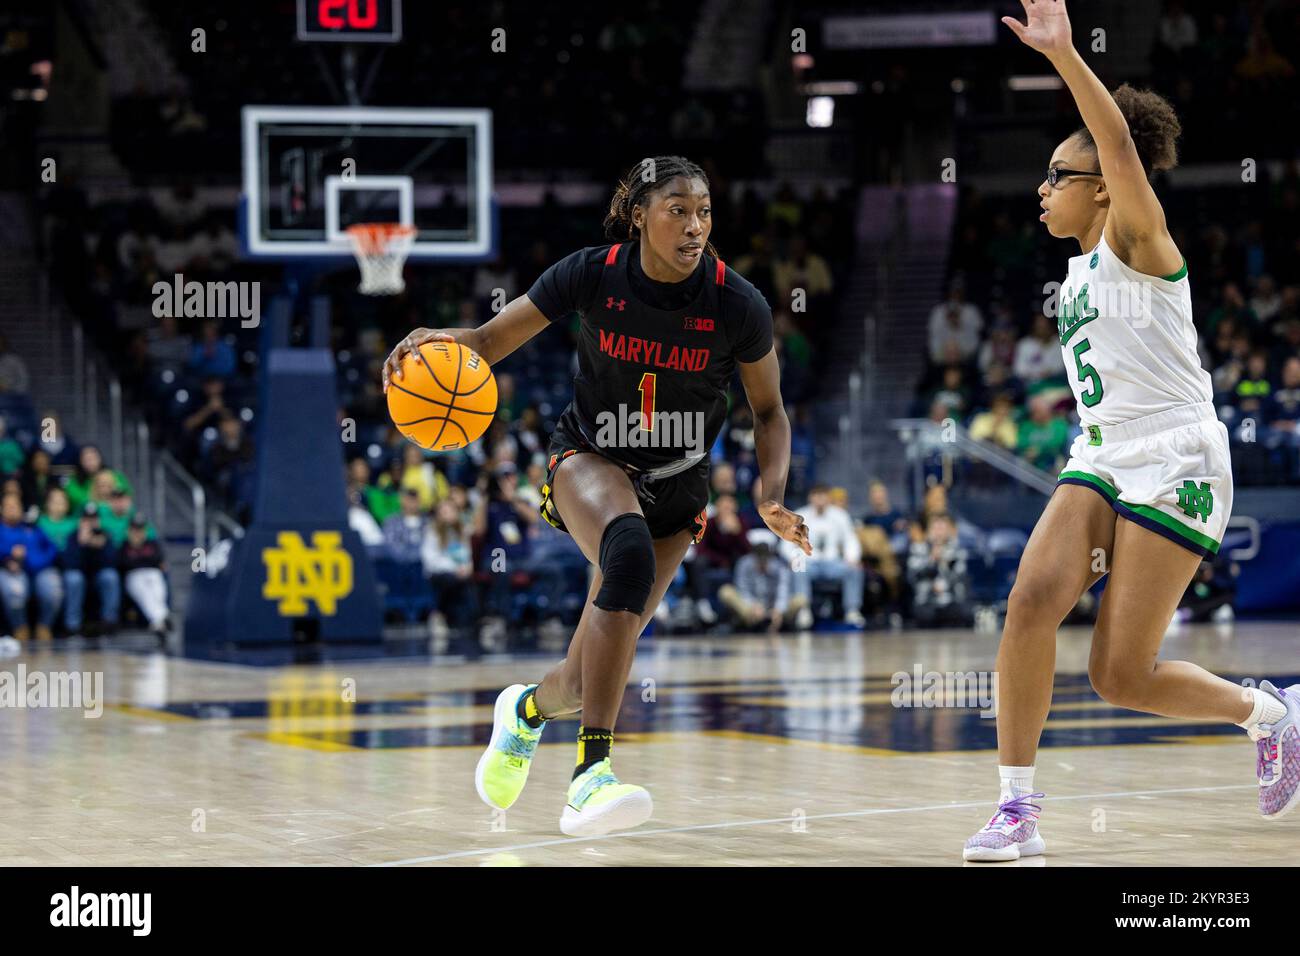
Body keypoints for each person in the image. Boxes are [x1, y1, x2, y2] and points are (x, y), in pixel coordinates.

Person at [383, 155, 811, 837]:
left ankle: (525, 713)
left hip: (681, 484)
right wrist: (434, 342)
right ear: (639, 215)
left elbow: (769, 414)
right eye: (678, 209)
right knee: (628, 557)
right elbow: (491, 342)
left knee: (584, 681)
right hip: (590, 456)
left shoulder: (739, 304)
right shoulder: (592, 273)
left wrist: (771, 495)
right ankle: (591, 775)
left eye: (703, 211)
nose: (694, 224)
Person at [966, 1, 1298, 864]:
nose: (1043, 187)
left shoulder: (1140, 237)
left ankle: (1269, 713)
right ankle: (1016, 810)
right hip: (1104, 452)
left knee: (1120, 676)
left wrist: (1067, 55)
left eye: (1057, 173)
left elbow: (1116, 141)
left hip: (1178, 453)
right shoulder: (1077, 272)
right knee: (1031, 600)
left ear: (1107, 186)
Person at [786, 484, 864, 629]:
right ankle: (803, 610)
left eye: (823, 495)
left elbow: (850, 540)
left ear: (829, 497)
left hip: (833, 563)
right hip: (809, 562)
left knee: (854, 570)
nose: (820, 499)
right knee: (798, 568)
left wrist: (852, 558)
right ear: (811, 497)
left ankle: (852, 610)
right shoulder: (799, 516)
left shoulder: (840, 515)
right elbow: (786, 541)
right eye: (817, 495)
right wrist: (793, 558)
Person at [0, 492, 60, 641]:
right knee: (15, 592)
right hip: (11, 570)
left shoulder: (32, 528)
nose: (12, 509)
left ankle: (44, 626)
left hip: (40, 569)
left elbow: (52, 549)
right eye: (9, 506)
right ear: (2, 509)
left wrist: (40, 562)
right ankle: (20, 627)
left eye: (16, 506)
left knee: (52, 590)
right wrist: (8, 556)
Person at [717, 534, 801, 633]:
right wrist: (753, 605)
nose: (762, 561)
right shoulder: (744, 564)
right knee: (725, 591)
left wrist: (778, 610)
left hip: (772, 607)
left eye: (765, 557)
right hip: (750, 608)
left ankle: (776, 623)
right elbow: (742, 589)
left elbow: (783, 590)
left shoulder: (779, 567)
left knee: (800, 599)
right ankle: (752, 621)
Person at [59, 501, 120, 637]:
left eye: (93, 519)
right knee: (74, 579)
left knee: (110, 576)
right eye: (87, 519)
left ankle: (109, 622)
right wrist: (82, 544)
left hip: (98, 577)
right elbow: (68, 563)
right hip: (80, 577)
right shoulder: (73, 536)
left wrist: (100, 548)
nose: (90, 523)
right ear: (81, 521)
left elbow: (113, 562)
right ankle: (72, 626)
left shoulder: (105, 535)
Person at [906, 513, 972, 628]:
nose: (938, 533)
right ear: (928, 531)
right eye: (935, 528)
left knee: (962, 613)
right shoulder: (918, 549)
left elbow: (960, 575)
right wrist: (931, 562)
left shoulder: (957, 550)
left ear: (948, 531)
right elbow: (913, 576)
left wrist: (944, 564)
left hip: (950, 600)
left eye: (942, 528)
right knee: (923, 615)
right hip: (926, 600)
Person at [117, 513, 169, 637]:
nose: (137, 533)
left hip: (152, 575)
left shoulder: (152, 544)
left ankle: (158, 621)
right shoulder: (124, 546)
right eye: (134, 529)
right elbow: (125, 564)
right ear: (129, 530)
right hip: (133, 578)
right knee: (143, 589)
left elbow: (158, 561)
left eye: (140, 529)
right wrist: (143, 559)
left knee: (156, 583)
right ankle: (164, 616)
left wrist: (139, 558)